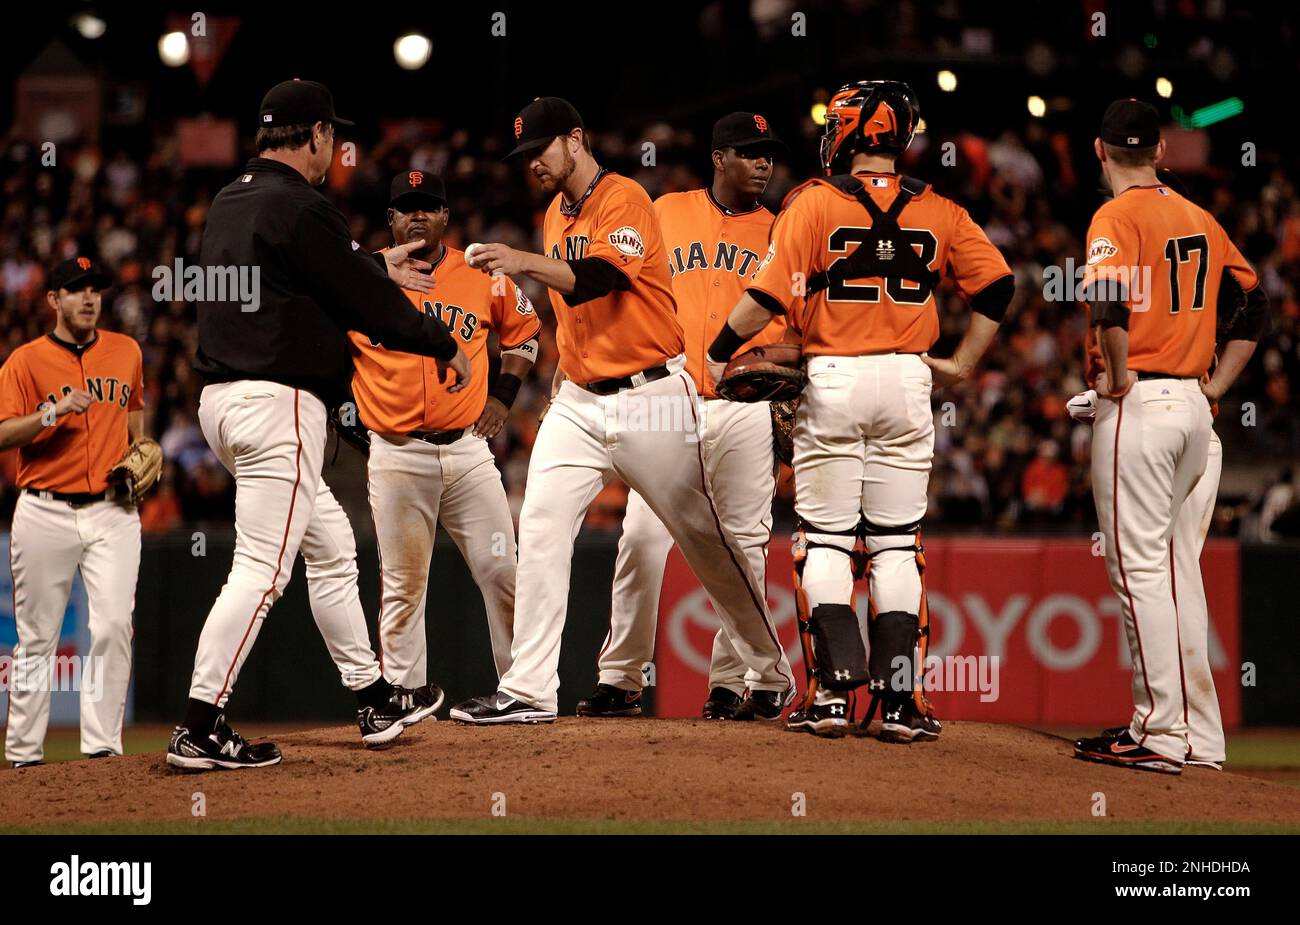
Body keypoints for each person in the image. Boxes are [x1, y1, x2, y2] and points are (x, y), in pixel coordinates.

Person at [450, 97, 794, 724]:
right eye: (525, 155)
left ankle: (768, 670)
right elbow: (575, 313)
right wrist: (561, 377)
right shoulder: (557, 211)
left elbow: (601, 278)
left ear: (575, 140)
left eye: (541, 151)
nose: (533, 165)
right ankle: (528, 690)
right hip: (579, 400)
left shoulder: (626, 197)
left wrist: (522, 260)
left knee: (705, 540)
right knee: (544, 527)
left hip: (652, 399)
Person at [166, 80, 470, 771]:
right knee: (262, 569)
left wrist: (365, 263)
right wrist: (439, 341)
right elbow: (361, 303)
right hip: (278, 405)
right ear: (312, 137)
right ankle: (199, 721)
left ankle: (373, 697)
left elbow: (291, 281)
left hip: (223, 402)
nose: (336, 146)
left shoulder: (231, 200)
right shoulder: (304, 204)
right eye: (332, 134)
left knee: (331, 545)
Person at [708, 80, 1015, 741]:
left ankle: (829, 696)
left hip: (836, 377)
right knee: (896, 543)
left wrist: (718, 350)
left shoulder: (812, 203)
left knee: (824, 539)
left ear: (847, 131)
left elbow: (763, 295)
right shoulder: (941, 208)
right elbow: (999, 287)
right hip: (909, 380)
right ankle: (901, 703)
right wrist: (962, 363)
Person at [579, 112, 794, 721]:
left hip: (746, 405)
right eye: (750, 152)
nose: (763, 163)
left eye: (768, 154)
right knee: (643, 540)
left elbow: (798, 327)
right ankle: (621, 679)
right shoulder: (662, 212)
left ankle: (730, 682)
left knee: (745, 546)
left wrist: (777, 366)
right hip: (666, 398)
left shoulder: (783, 231)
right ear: (718, 156)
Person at [1072, 122, 1268, 773]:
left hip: (1143, 403)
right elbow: (1257, 306)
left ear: (1100, 150)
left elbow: (1106, 301)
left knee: (1140, 572)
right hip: (1193, 412)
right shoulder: (1200, 217)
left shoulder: (1114, 214)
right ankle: (1199, 737)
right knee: (1178, 569)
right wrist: (1215, 383)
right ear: (1159, 150)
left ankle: (1157, 730)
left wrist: (1120, 373)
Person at [349, 170, 540, 686]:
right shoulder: (358, 279)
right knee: (404, 589)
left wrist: (503, 396)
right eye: (407, 207)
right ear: (390, 218)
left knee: (503, 572)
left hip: (468, 453)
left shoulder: (481, 275)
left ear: (445, 217)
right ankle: (406, 703)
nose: (418, 215)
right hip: (397, 454)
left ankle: (523, 690)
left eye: (428, 206)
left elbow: (526, 337)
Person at [1, 258, 146, 767]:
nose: (89, 298)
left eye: (95, 290)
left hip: (114, 510)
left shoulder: (126, 351)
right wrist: (51, 413)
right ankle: (23, 756)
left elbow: (136, 414)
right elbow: (1, 434)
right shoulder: (24, 361)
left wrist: (145, 449)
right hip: (44, 511)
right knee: (37, 638)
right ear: (53, 300)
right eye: (76, 289)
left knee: (111, 627)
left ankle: (103, 748)